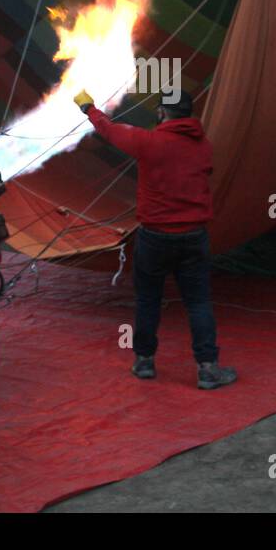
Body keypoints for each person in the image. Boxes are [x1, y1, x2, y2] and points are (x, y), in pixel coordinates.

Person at [73, 88, 237, 389]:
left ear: (162, 113)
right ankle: (208, 368)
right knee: (198, 302)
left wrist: (88, 108)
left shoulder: (148, 142)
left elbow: (109, 130)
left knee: (148, 300)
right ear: (189, 114)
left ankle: (144, 361)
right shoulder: (204, 147)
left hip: (155, 237)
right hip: (193, 236)